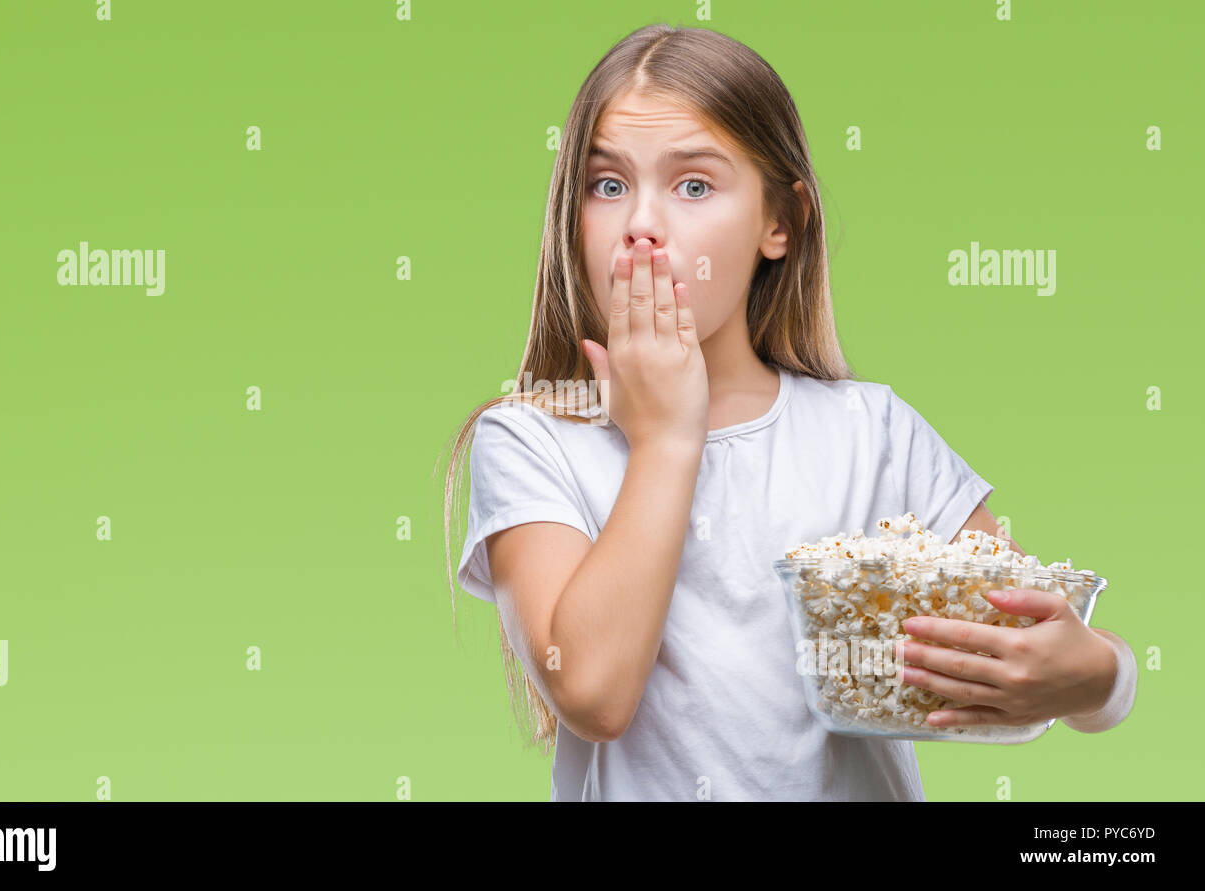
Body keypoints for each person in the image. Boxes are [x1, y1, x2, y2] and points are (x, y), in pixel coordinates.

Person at [439, 23, 1136, 801]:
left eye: (693, 185)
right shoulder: (530, 441)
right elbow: (595, 694)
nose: (641, 223)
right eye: (608, 185)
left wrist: (1102, 679)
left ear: (781, 222)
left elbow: (1034, 643)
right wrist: (667, 436)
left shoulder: (871, 435)